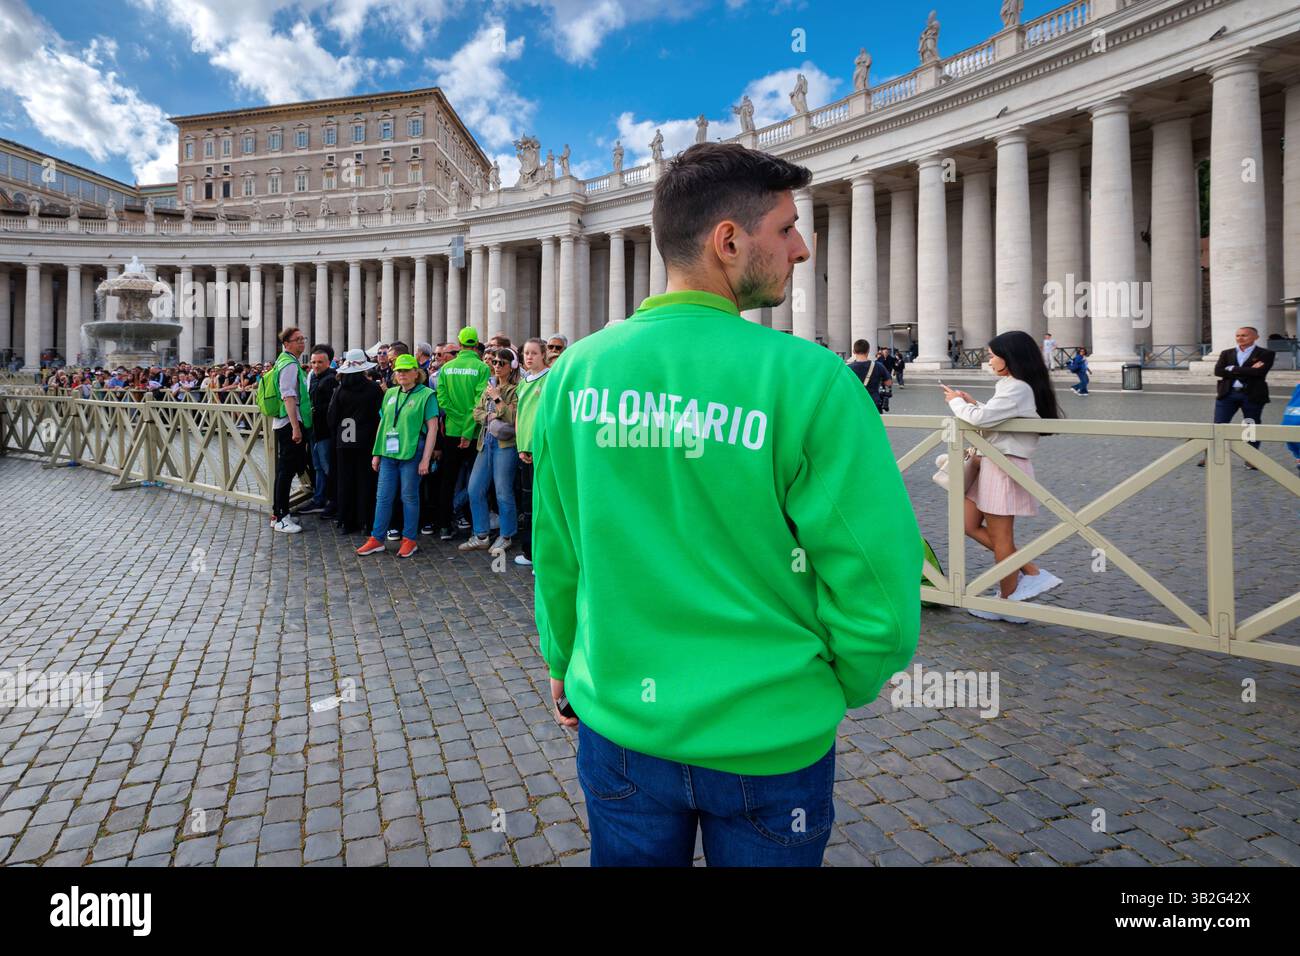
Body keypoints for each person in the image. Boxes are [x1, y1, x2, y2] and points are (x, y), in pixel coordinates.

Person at [533, 142, 921, 867]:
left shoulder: (574, 373)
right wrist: (832, 686)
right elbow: (880, 589)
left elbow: (558, 546)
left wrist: (563, 657)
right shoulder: (811, 379)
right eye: (786, 229)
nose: (802, 248)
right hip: (771, 740)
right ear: (729, 240)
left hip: (619, 726)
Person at [944, 330, 1063, 622]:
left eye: (992, 355)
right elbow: (998, 419)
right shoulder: (1011, 386)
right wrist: (973, 403)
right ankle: (1027, 577)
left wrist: (957, 404)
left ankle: (1009, 600)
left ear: (1009, 357)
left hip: (1003, 466)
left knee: (1001, 537)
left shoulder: (1018, 387)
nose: (989, 360)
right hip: (993, 464)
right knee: (968, 523)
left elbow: (983, 421)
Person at [356, 354, 439, 558]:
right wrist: (376, 453)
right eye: (398, 370)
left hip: (413, 452)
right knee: (383, 497)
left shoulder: (427, 395)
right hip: (389, 453)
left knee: (409, 496)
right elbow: (383, 425)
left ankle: (409, 539)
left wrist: (426, 459)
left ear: (416, 372)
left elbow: (433, 428)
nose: (401, 374)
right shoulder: (390, 393)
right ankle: (377, 538)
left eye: (406, 370)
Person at [460, 347, 520, 554]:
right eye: (494, 362)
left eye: (501, 363)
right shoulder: (489, 386)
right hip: (485, 441)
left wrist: (496, 398)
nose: (496, 366)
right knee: (474, 488)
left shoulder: (515, 389)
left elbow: (513, 416)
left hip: (506, 444)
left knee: (503, 491)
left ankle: (506, 535)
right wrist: (487, 416)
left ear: (511, 366)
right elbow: (476, 411)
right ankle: (481, 534)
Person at [435, 327, 490, 539]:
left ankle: (443, 526)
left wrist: (457, 422)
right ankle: (476, 525)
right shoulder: (481, 368)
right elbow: (479, 402)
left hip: (451, 430)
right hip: (474, 432)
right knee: (476, 482)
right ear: (476, 344)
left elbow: (442, 399)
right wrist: (468, 429)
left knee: (447, 480)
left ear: (459, 344)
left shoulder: (447, 368)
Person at [1202, 326, 1275, 471]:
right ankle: (1211, 456)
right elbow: (1218, 371)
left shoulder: (1266, 353)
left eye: (1244, 335)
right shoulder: (1226, 353)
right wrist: (1249, 370)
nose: (1240, 338)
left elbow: (1260, 373)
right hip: (1228, 394)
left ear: (1255, 337)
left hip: (1252, 394)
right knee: (1219, 425)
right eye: (1238, 335)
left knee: (1251, 425)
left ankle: (1251, 458)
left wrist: (1232, 369)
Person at [328, 349, 382, 534]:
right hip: (367, 440)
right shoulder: (374, 389)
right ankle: (366, 521)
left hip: (344, 439)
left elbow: (332, 417)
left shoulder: (340, 390)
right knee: (366, 481)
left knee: (345, 480)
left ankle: (346, 521)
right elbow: (379, 416)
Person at [268, 327, 312, 533]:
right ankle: (282, 517)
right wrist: (296, 427)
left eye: (303, 339)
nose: (302, 343)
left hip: (286, 423)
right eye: (297, 340)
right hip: (289, 424)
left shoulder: (285, 362)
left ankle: (278, 512)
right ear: (286, 344)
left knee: (286, 470)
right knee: (286, 471)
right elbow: (288, 396)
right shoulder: (289, 365)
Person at [513, 338, 550, 568]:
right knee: (527, 504)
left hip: (541, 450)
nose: (529, 357)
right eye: (526, 353)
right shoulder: (524, 382)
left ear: (543, 355)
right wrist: (520, 446)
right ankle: (529, 552)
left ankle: (543, 557)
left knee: (542, 505)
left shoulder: (550, 379)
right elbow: (520, 415)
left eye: (534, 353)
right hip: (525, 450)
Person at [296, 345, 337, 516]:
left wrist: (314, 410)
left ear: (329, 362)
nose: (316, 365)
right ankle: (319, 498)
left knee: (327, 467)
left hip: (325, 432)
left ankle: (333, 500)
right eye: (313, 362)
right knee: (318, 466)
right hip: (314, 430)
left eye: (320, 362)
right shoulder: (313, 377)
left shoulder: (332, 379)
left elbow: (333, 406)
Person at [847, 339, 889, 412]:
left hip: (854, 403)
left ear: (854, 351)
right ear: (868, 351)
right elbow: (888, 382)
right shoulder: (878, 366)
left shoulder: (848, 368)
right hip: (873, 401)